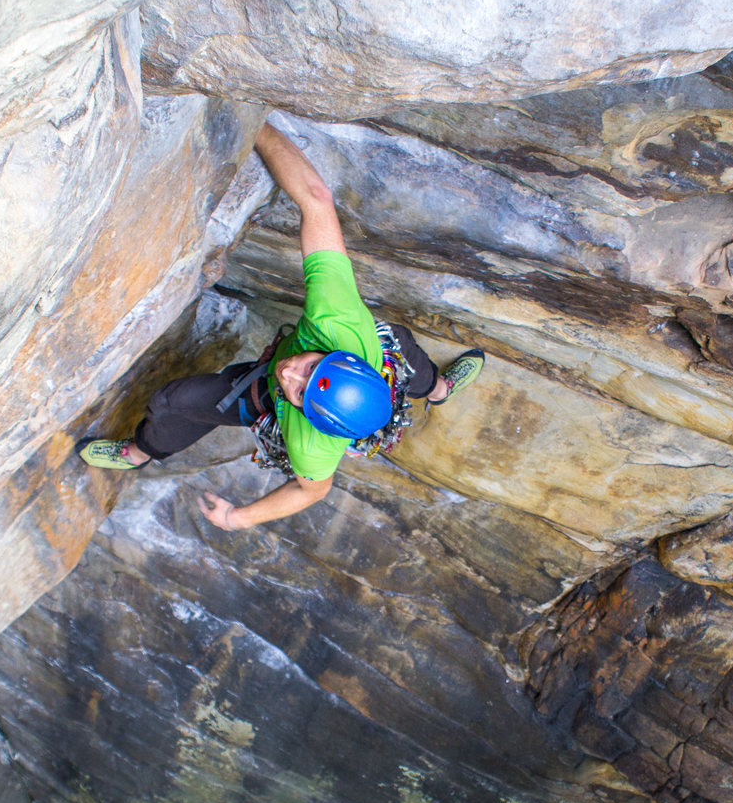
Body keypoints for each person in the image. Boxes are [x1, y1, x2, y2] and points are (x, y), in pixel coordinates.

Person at [78, 122, 485, 529]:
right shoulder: (340, 322)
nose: (290, 371)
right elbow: (317, 200)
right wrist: (252, 125)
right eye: (312, 368)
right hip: (375, 358)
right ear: (342, 358)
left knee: (176, 402)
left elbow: (311, 490)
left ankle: (138, 453)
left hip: (285, 401)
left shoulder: (311, 446)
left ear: (307, 415)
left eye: (300, 391)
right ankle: (438, 388)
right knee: (397, 344)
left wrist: (237, 518)